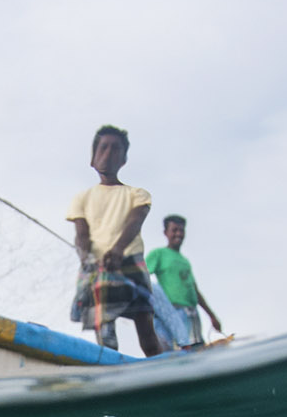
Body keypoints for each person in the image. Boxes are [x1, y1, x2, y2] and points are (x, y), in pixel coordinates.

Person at [67, 125, 165, 356]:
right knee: (106, 335)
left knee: (147, 332)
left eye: (115, 149)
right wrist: (86, 257)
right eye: (103, 148)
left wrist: (119, 249)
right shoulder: (82, 198)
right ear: (93, 158)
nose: (108, 154)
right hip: (98, 268)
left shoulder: (137, 194)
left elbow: (135, 222)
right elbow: (81, 235)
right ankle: (111, 371)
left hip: (130, 263)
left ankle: (160, 367)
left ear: (124, 160)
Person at [144, 214, 223, 346]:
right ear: (165, 232)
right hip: (173, 313)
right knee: (177, 350)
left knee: (197, 349)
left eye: (181, 230)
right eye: (174, 230)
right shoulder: (158, 254)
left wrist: (211, 316)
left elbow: (194, 290)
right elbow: (142, 275)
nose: (178, 234)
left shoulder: (184, 261)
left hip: (191, 313)